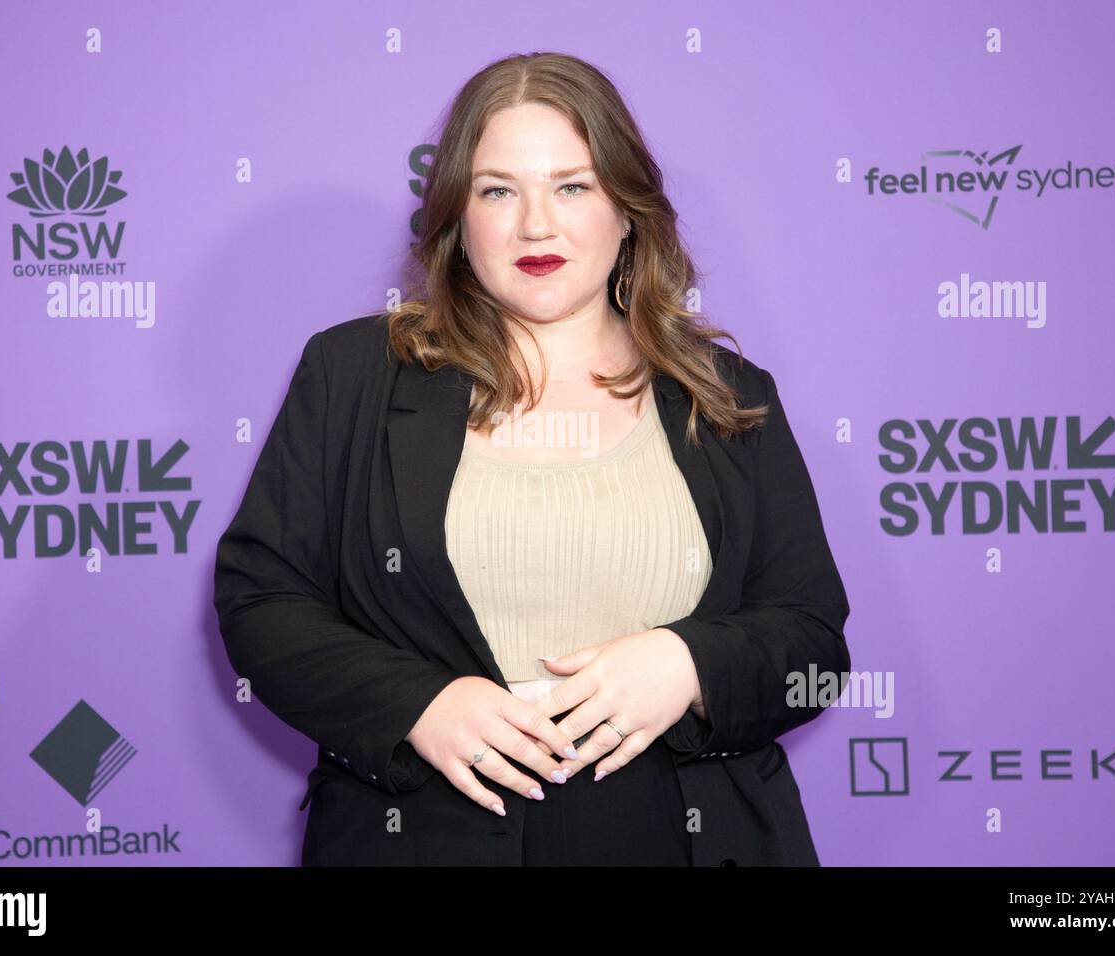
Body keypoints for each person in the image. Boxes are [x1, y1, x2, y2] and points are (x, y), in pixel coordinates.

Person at [212, 51, 851, 866]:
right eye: (497, 190)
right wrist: (420, 705)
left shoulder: (724, 393)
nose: (535, 225)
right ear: (455, 218)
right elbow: (263, 601)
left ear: (628, 210)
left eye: (572, 186)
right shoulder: (352, 375)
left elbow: (813, 644)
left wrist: (689, 663)